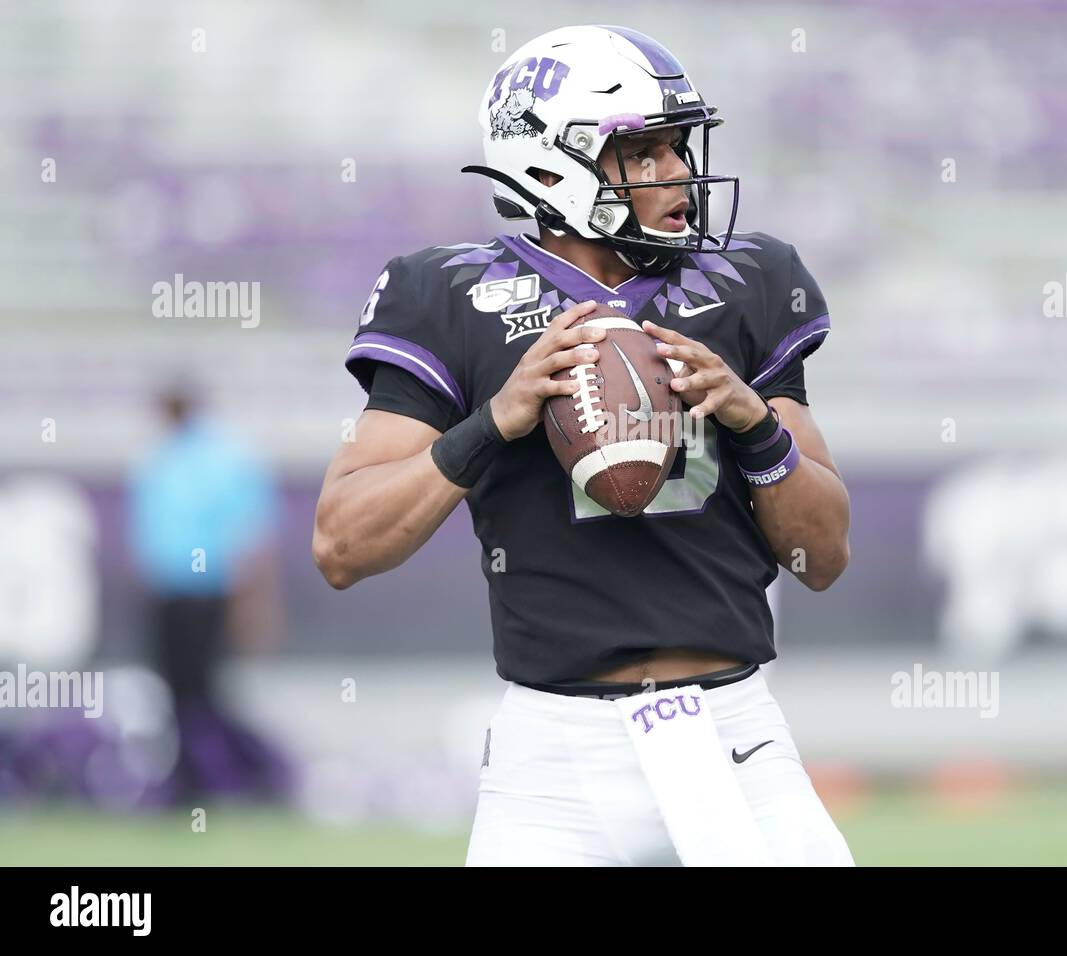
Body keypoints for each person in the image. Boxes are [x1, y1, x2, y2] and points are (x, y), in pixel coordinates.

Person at [313, 24, 853, 865]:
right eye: (645, 153)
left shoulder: (750, 277)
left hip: (734, 735)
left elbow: (822, 557)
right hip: (553, 759)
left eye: (680, 147)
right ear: (550, 166)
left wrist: (755, 424)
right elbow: (341, 544)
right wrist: (494, 421)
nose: (679, 173)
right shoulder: (447, 293)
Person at [128, 383, 291, 805]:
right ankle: (192, 778)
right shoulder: (160, 456)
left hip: (208, 593)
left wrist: (254, 603)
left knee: (204, 691)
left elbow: (254, 534)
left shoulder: (225, 455)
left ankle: (239, 775)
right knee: (177, 690)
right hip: (169, 594)